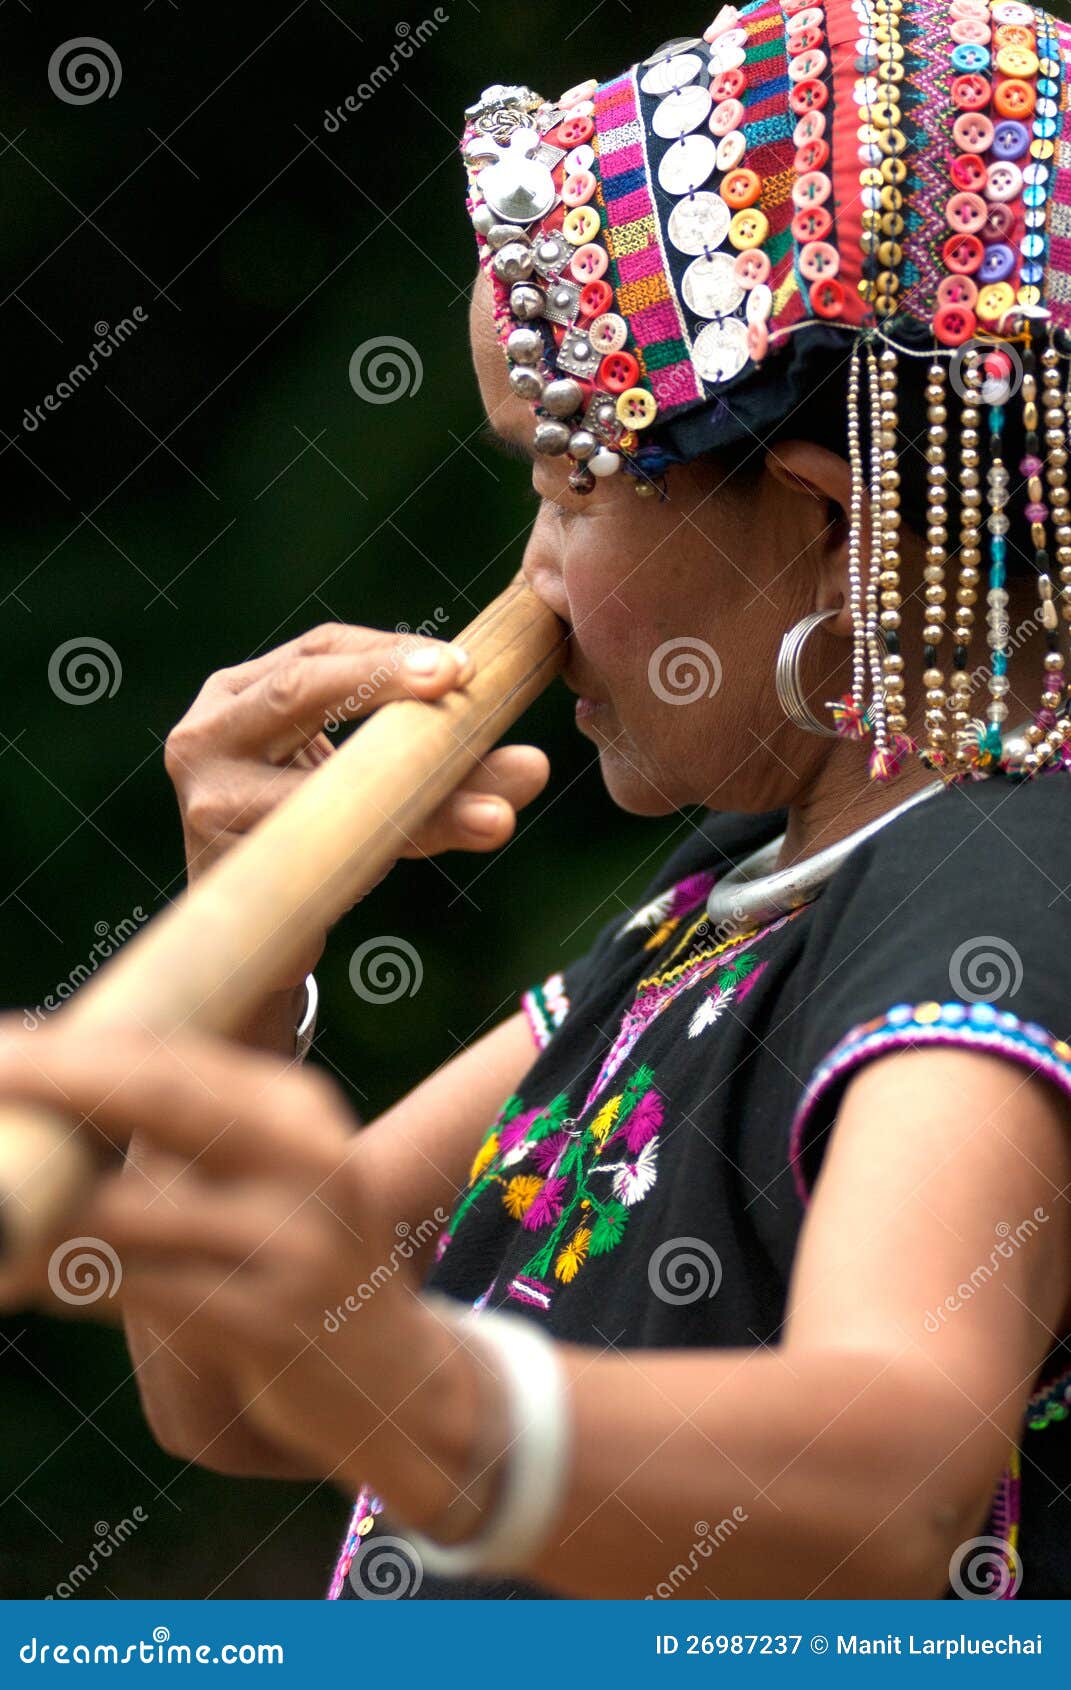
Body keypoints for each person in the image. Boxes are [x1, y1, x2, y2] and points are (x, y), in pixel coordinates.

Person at [3, 0, 1071, 1602]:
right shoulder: (725, 903)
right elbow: (223, 1393)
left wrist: (426, 1394)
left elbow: (893, 1463)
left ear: (830, 522)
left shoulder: (994, 880)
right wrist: (253, 917)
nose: (535, 583)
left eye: (569, 483)